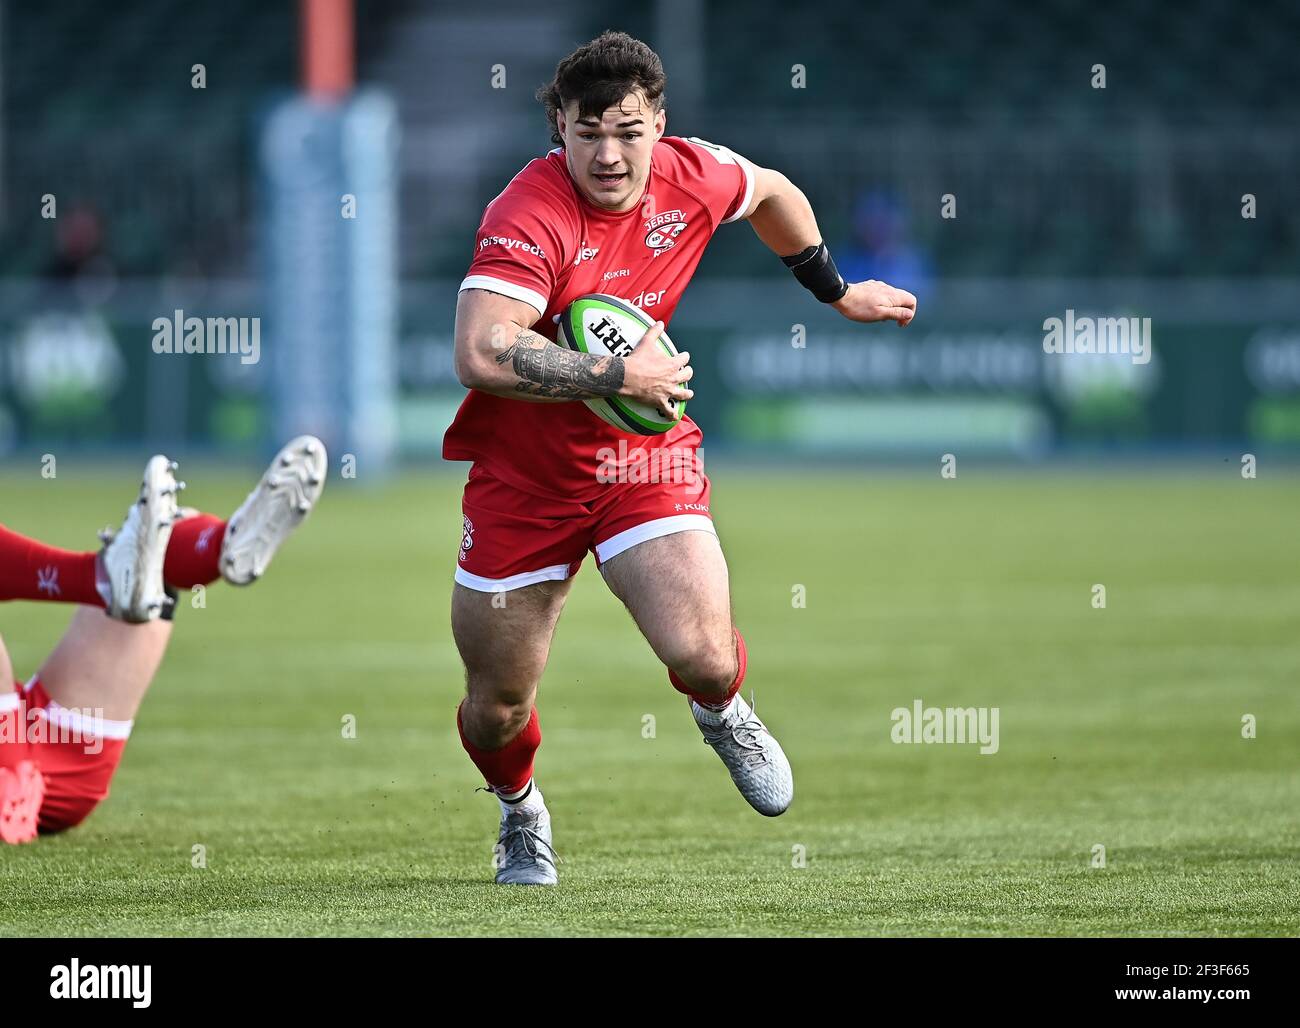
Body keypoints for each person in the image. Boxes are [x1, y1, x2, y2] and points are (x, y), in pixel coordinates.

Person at [446, 31, 917, 885]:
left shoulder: (696, 174)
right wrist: (619, 370)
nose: (610, 153)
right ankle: (521, 812)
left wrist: (837, 291)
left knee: (700, 651)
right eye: (589, 132)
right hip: (524, 480)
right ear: (559, 126)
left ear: (659, 123)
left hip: (643, 455)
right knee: (497, 706)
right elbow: (481, 352)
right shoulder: (531, 212)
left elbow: (774, 193)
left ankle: (721, 709)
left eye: (628, 130)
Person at [0, 437, 326, 844]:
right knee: (142, 565)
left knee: (153, 551)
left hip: (35, 736)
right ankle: (124, 574)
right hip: (70, 759)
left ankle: (222, 545)